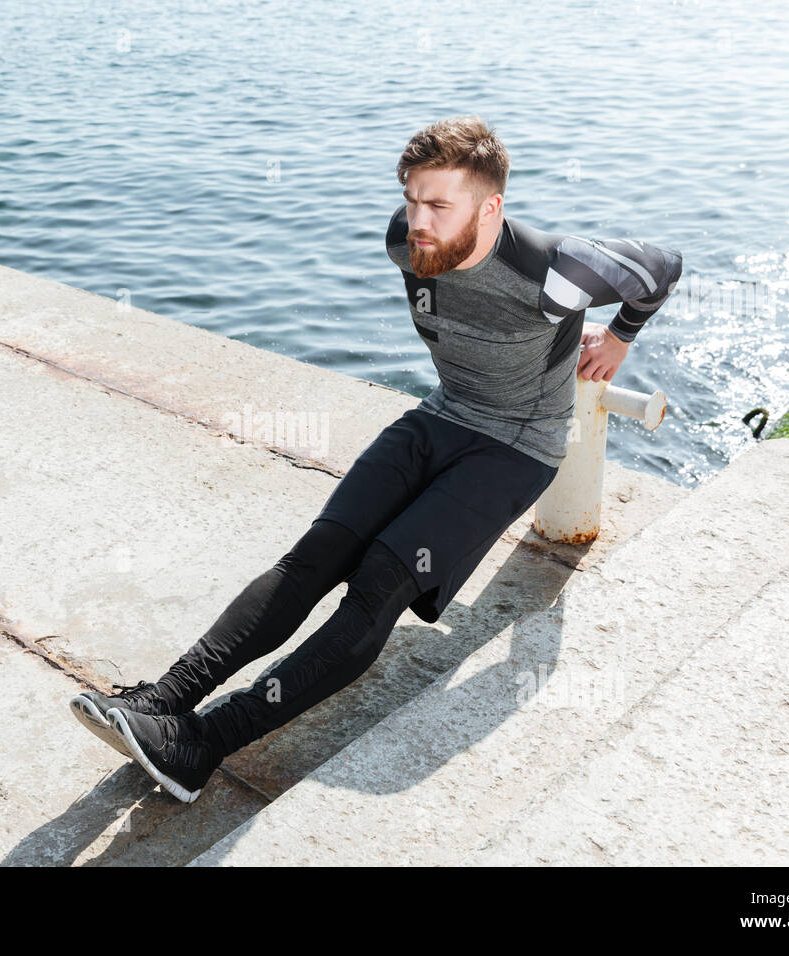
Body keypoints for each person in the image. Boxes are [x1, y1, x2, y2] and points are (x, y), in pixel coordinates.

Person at [70, 114, 684, 803]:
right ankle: (166, 700)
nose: (417, 220)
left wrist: (621, 336)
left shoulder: (558, 271)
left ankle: (204, 745)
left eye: (438, 206)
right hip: (440, 415)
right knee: (313, 558)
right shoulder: (406, 241)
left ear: (491, 208)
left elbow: (661, 266)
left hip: (515, 446)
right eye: (411, 198)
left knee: (380, 585)